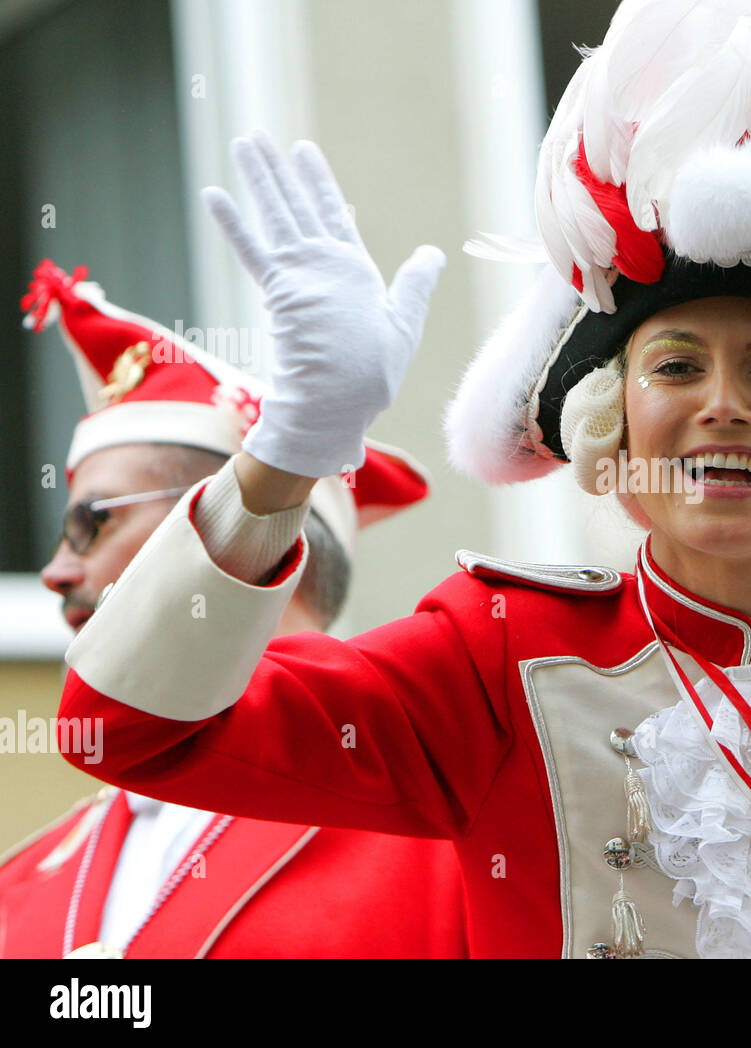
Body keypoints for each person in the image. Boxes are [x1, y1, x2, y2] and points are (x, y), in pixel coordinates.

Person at [57, 0, 751, 958]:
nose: (723, 403)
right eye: (676, 366)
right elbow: (130, 734)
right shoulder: (501, 654)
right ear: (612, 423)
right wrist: (289, 453)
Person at [1, 263, 469, 958]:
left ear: (229, 526)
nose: (56, 571)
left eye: (92, 523)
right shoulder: (20, 881)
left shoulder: (442, 832)